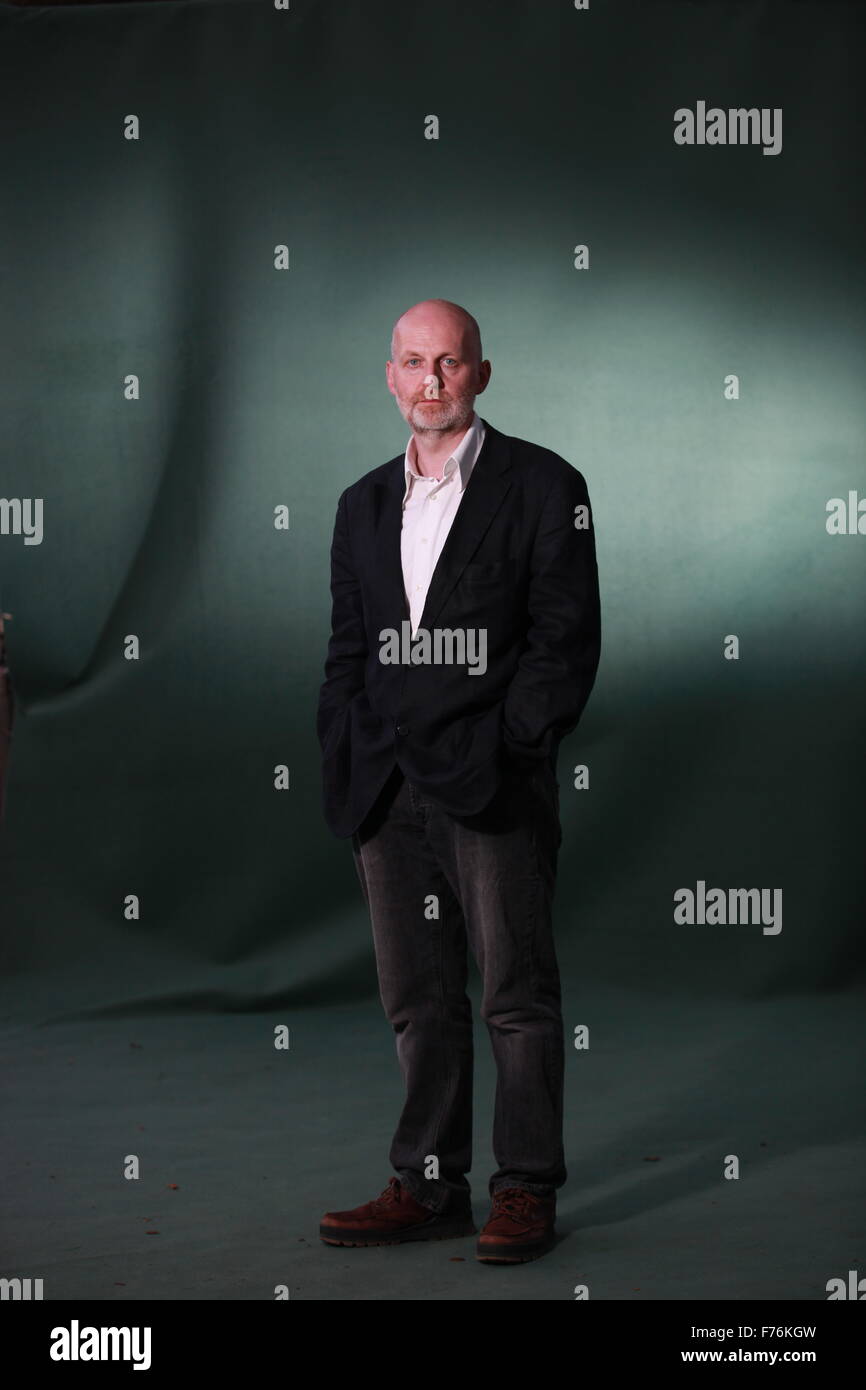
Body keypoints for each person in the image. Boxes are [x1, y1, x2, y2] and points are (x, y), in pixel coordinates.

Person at [316, 298, 601, 1263]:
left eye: (449, 363)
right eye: (412, 363)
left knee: (514, 996)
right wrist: (347, 759)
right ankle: (429, 1185)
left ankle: (525, 1189)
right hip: (386, 793)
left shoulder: (545, 486)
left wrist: (510, 749)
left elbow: (564, 649)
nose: (430, 382)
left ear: (482, 372)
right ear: (389, 375)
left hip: (493, 790)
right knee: (417, 1001)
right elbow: (346, 653)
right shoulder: (360, 504)